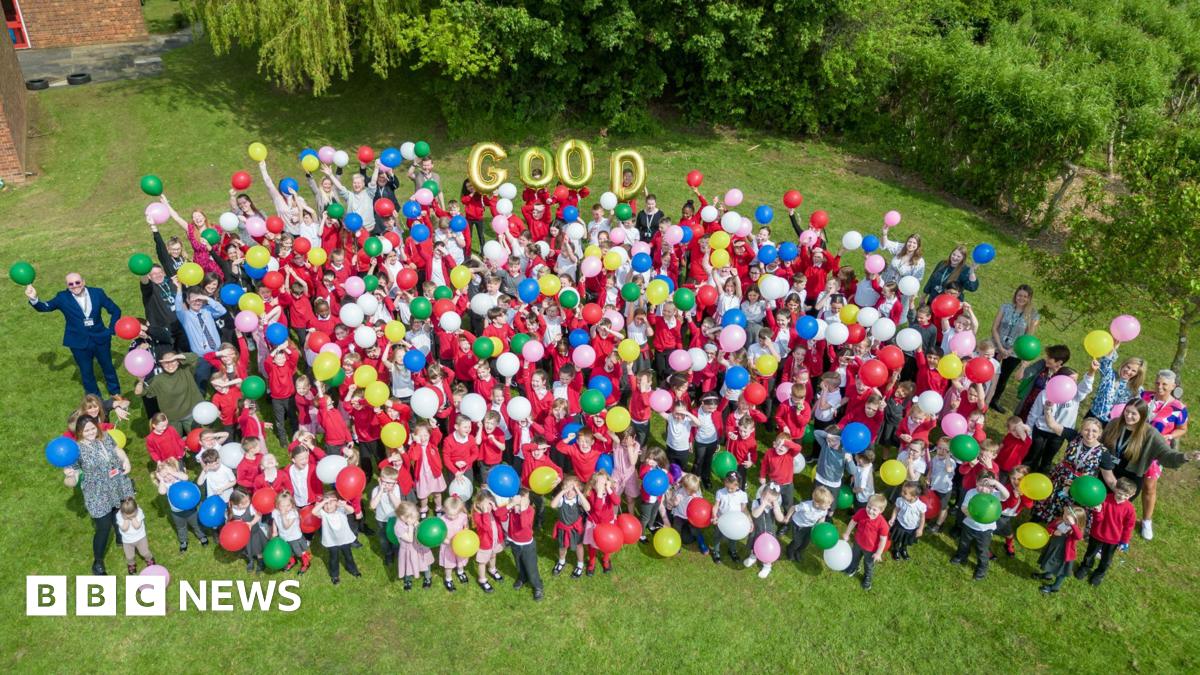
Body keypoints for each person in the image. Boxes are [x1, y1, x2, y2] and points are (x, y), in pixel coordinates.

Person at [1098, 397, 1200, 541]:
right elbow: (1100, 444)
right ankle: (1094, 534)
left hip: (1129, 480)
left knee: (1113, 513)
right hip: (1106, 473)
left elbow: (1167, 455)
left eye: (1134, 414)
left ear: (1142, 416)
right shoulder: (1114, 424)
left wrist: (1186, 456)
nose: (1128, 416)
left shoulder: (1150, 434)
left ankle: (1107, 542)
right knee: (1099, 507)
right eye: (1127, 411)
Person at [26, 273, 123, 397]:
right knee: (86, 372)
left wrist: (111, 329)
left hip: (100, 338)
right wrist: (34, 299)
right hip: (78, 342)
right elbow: (45, 307)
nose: (74, 286)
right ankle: (95, 399)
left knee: (108, 367)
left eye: (77, 282)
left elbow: (115, 310)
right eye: (70, 284)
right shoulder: (62, 297)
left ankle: (116, 393)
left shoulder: (97, 293)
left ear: (83, 281)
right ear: (67, 285)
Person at [62, 416, 134, 574]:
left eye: (93, 428)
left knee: (119, 511)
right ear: (79, 431)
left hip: (117, 483)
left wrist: (126, 460)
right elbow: (71, 482)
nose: (91, 432)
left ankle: (120, 537)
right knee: (103, 527)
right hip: (97, 492)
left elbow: (117, 450)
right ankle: (98, 561)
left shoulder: (106, 436)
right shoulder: (76, 450)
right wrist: (69, 475)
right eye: (86, 430)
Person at [1136, 370, 1189, 540]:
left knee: (1149, 486)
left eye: (1165, 384)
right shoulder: (1144, 396)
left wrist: (1171, 436)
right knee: (1127, 478)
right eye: (1158, 383)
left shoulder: (1179, 408)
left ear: (1173, 386)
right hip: (1135, 444)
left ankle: (1146, 521)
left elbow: (1183, 428)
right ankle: (1120, 512)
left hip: (1156, 450)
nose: (1160, 387)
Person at [1073, 478, 1138, 587]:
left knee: (1106, 560)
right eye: (1121, 493)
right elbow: (1098, 519)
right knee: (1090, 554)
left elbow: (1129, 526)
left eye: (1126, 496)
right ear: (1115, 488)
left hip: (1113, 539)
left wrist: (1124, 541)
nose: (1122, 497)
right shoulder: (1104, 499)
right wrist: (1097, 511)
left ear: (1131, 495)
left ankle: (1099, 573)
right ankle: (1085, 567)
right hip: (1097, 534)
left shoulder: (1129, 509)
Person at [987, 285, 1039, 412]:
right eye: (1019, 295)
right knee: (989, 372)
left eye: (1025, 297)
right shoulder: (1005, 307)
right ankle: (981, 394)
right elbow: (995, 328)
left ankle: (994, 400)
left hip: (1015, 351)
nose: (1021, 298)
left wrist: (1009, 351)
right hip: (996, 345)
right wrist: (1000, 348)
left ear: (1029, 299)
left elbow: (1027, 337)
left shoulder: (1033, 315)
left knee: (1003, 376)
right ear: (1015, 295)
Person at [134, 352, 205, 432]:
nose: (170, 365)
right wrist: (140, 382)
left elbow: (195, 357)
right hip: (172, 419)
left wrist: (176, 357)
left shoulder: (186, 369)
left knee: (195, 439)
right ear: (162, 364)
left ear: (178, 361)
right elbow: (139, 393)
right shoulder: (158, 380)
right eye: (166, 363)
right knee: (175, 441)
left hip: (191, 414)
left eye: (173, 361)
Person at [841, 494, 889, 590]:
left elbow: (883, 540)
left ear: (881, 511)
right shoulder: (861, 512)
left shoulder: (883, 524)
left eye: (874, 510)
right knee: (854, 557)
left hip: (871, 550)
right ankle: (852, 568)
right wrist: (847, 533)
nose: (870, 511)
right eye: (869, 507)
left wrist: (878, 553)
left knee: (868, 565)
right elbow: (853, 522)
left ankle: (867, 579)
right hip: (858, 542)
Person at [1035, 505, 1085, 594]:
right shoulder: (1059, 521)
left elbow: (1079, 536)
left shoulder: (1075, 530)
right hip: (1054, 548)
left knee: (1061, 571)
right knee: (1050, 561)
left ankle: (1055, 587)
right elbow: (1049, 528)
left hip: (1065, 554)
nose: (1065, 518)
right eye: (1065, 515)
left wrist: (1073, 525)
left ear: (1076, 521)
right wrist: (1053, 532)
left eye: (1069, 518)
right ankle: (1048, 574)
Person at [116, 496, 156, 575]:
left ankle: (150, 559)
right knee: (129, 556)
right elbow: (124, 528)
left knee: (144, 552)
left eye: (133, 514)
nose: (130, 516)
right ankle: (131, 565)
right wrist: (126, 519)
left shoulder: (139, 512)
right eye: (127, 515)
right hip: (127, 541)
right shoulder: (119, 515)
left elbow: (137, 526)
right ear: (122, 512)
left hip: (140, 538)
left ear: (136, 509)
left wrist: (133, 518)